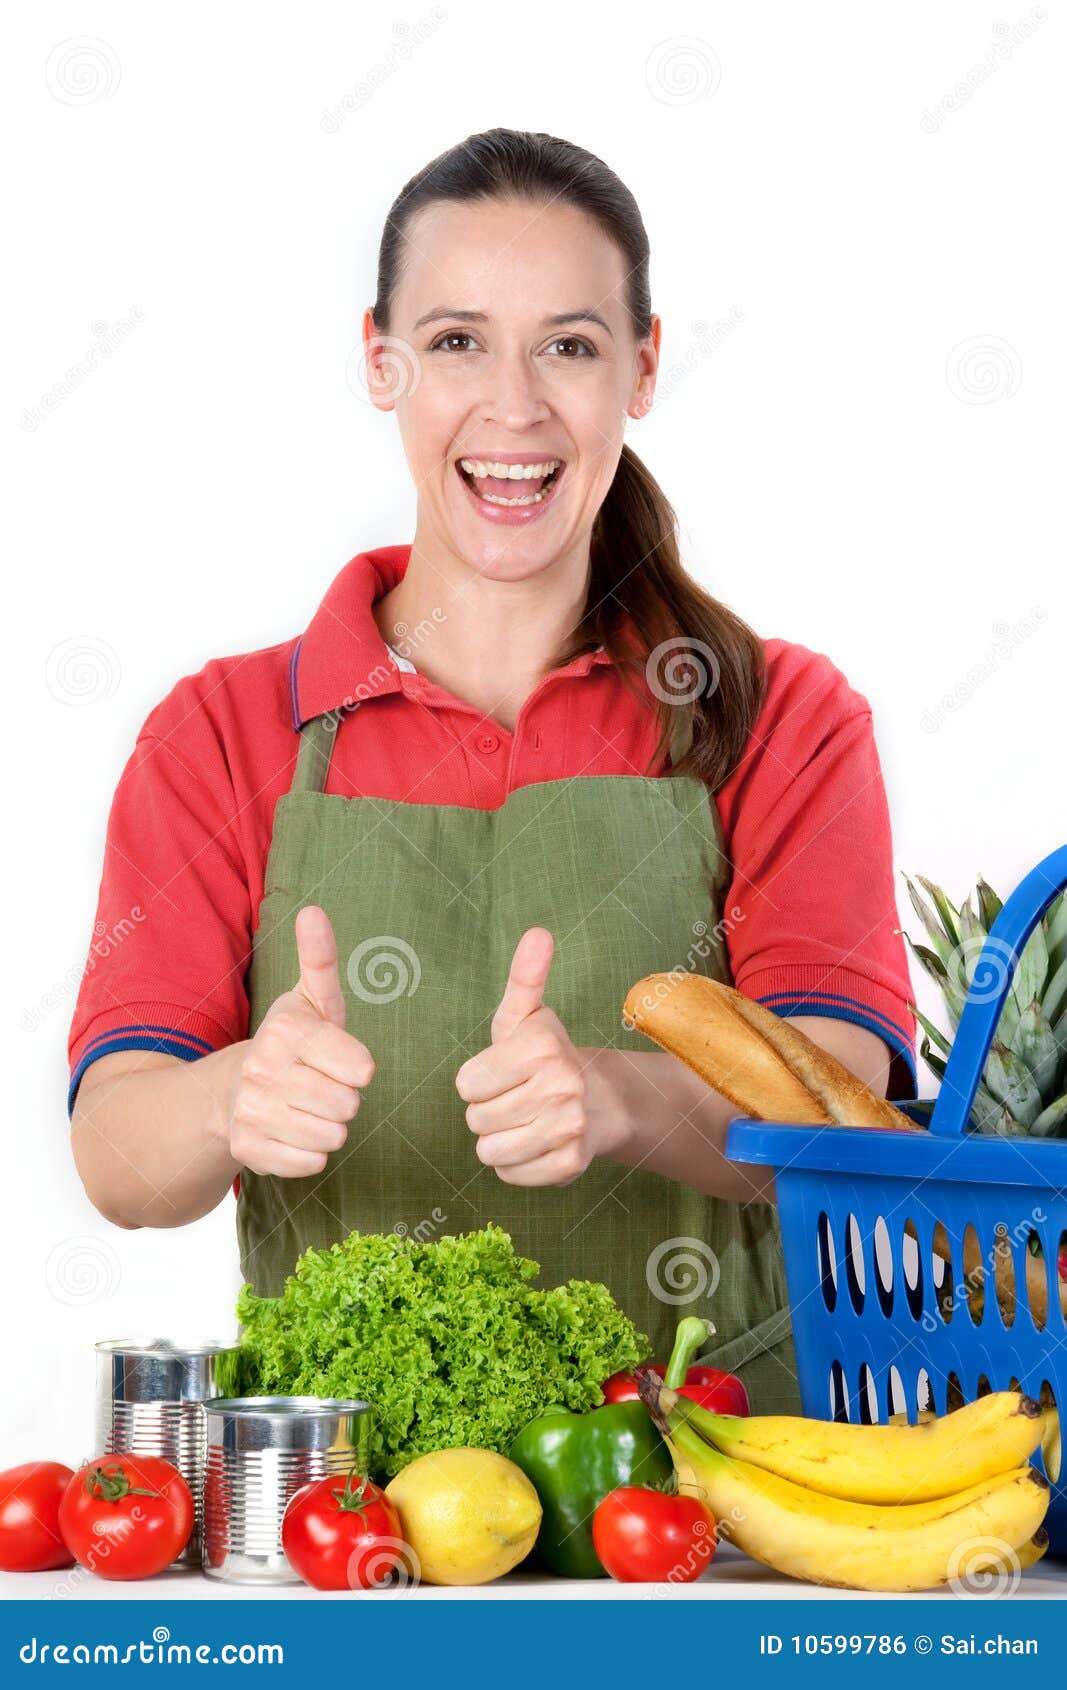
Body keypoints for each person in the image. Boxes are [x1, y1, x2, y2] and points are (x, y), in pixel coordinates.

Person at [68, 128, 916, 1414]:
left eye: (568, 346)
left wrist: (623, 1098)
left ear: (639, 368)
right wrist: (230, 1098)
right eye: (456, 340)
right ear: (380, 360)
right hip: (348, 1499)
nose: (512, 407)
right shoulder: (225, 731)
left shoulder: (774, 716)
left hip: (714, 1494)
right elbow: (116, 1156)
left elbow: (838, 1117)